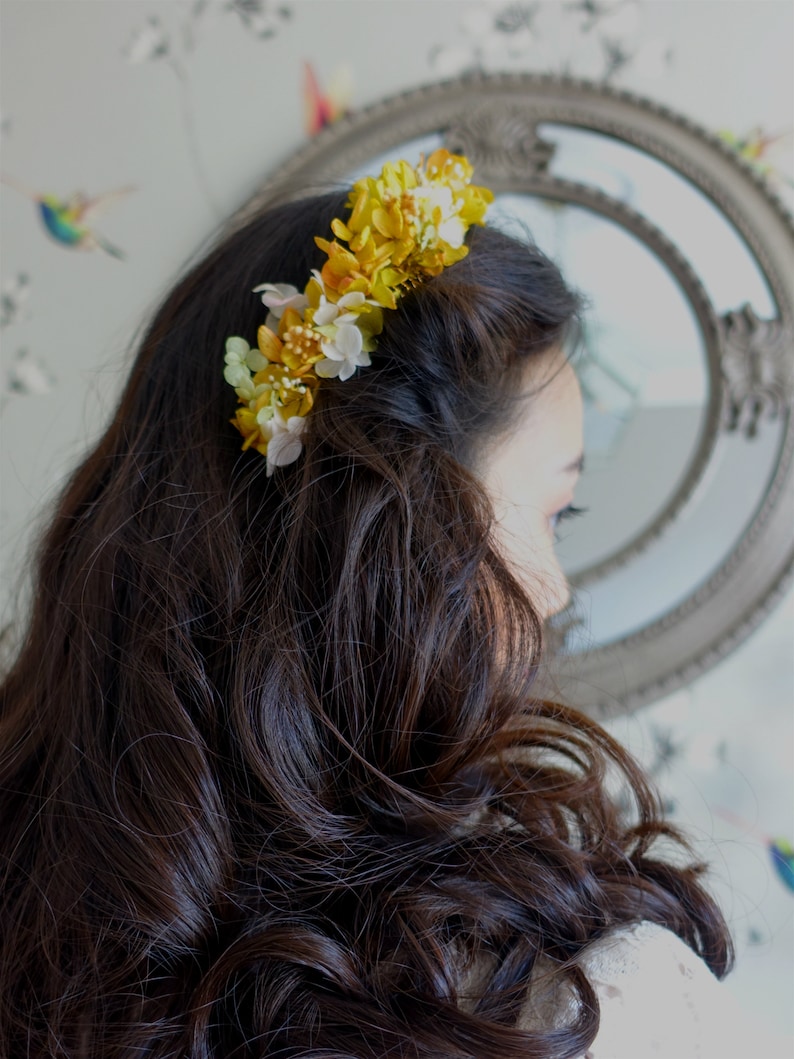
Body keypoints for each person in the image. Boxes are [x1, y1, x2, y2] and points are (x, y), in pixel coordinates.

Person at [0, 152, 752, 1058]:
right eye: (556, 513)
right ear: (398, 541)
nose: (555, 592)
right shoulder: (583, 1002)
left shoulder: (41, 898)